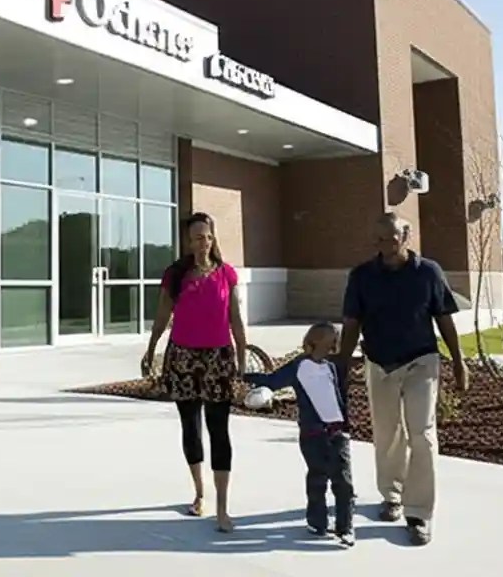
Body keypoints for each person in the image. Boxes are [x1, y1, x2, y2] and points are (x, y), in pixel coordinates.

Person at [338, 211, 469, 546]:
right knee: (387, 433)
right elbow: (352, 322)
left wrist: (459, 361)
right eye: (378, 239)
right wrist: (341, 364)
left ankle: (419, 512)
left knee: (422, 435)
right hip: (379, 363)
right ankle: (392, 495)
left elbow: (444, 320)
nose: (384, 244)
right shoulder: (363, 276)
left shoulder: (428, 272)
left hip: (420, 361)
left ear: (406, 236)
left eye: (390, 238)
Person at [142, 212, 248, 533]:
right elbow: (162, 316)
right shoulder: (176, 275)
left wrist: (243, 358)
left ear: (214, 239)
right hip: (183, 359)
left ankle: (222, 507)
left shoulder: (226, 275)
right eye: (197, 237)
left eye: (208, 236)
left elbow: (236, 320)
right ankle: (199, 492)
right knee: (191, 426)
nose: (203, 243)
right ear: (187, 242)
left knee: (220, 431)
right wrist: (151, 349)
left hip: (219, 360)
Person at [244, 322, 356, 547]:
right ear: (313, 342)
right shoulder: (299, 367)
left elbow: (338, 397)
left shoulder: (331, 367)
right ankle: (317, 522)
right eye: (330, 341)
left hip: (336, 434)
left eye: (335, 341)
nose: (333, 345)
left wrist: (346, 425)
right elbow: (273, 381)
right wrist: (246, 377)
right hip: (312, 434)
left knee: (343, 482)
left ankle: (345, 527)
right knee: (317, 478)